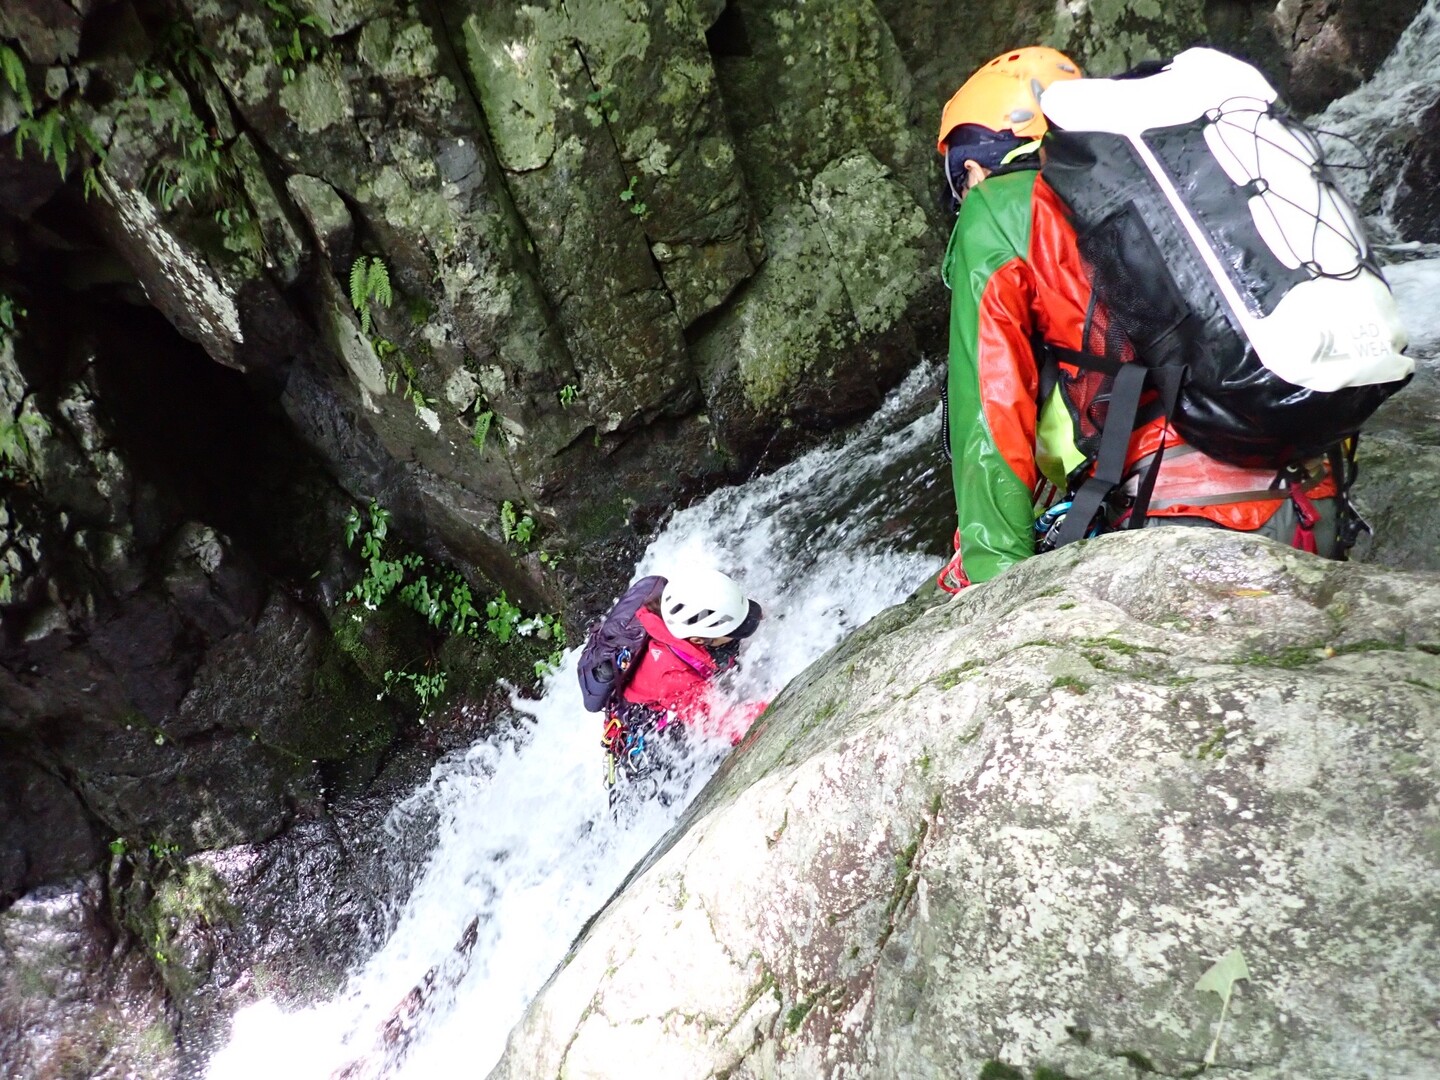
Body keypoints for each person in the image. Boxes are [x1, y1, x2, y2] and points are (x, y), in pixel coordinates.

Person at [935, 46, 1345, 592]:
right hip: (1315, 498)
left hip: (1187, 525)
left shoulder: (998, 207)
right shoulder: (1158, 184)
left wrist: (994, 578)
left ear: (972, 169)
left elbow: (991, 407)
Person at [594, 568, 764, 796]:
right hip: (652, 733)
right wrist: (778, 702)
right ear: (698, 639)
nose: (739, 633)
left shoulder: (676, 605)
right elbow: (726, 725)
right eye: (733, 630)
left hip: (652, 694)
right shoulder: (673, 677)